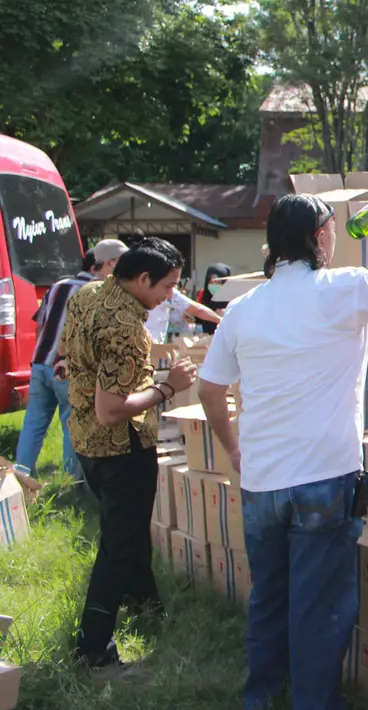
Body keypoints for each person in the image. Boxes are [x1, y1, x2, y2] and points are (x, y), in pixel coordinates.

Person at [196, 182, 368, 709]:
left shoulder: (242, 309)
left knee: (269, 600)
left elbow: (210, 387)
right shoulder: (343, 288)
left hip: (261, 481)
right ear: (317, 239)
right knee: (318, 610)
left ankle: (260, 698)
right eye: (330, 230)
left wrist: (233, 447)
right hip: (324, 481)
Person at [60, 238, 198, 668]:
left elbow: (65, 353)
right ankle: (93, 648)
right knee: (118, 546)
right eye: (167, 287)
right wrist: (166, 386)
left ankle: (146, 604)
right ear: (142, 279)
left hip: (85, 442)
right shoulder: (125, 328)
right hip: (121, 448)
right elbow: (111, 411)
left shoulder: (86, 293)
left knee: (128, 530)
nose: (170, 297)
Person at [15, 240, 124, 481]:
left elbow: (40, 325)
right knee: (71, 425)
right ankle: (69, 484)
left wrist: (40, 357)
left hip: (41, 362)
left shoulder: (57, 286)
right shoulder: (100, 292)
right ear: (109, 263)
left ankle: (19, 476)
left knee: (34, 422)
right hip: (69, 369)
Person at [146, 285, 220, 343]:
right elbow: (198, 310)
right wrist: (220, 320)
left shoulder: (141, 287)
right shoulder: (165, 290)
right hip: (151, 345)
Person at [196, 263, 232, 334]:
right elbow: (197, 318)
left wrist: (226, 312)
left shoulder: (233, 297)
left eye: (218, 282)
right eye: (211, 282)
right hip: (206, 336)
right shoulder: (203, 294)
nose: (214, 285)